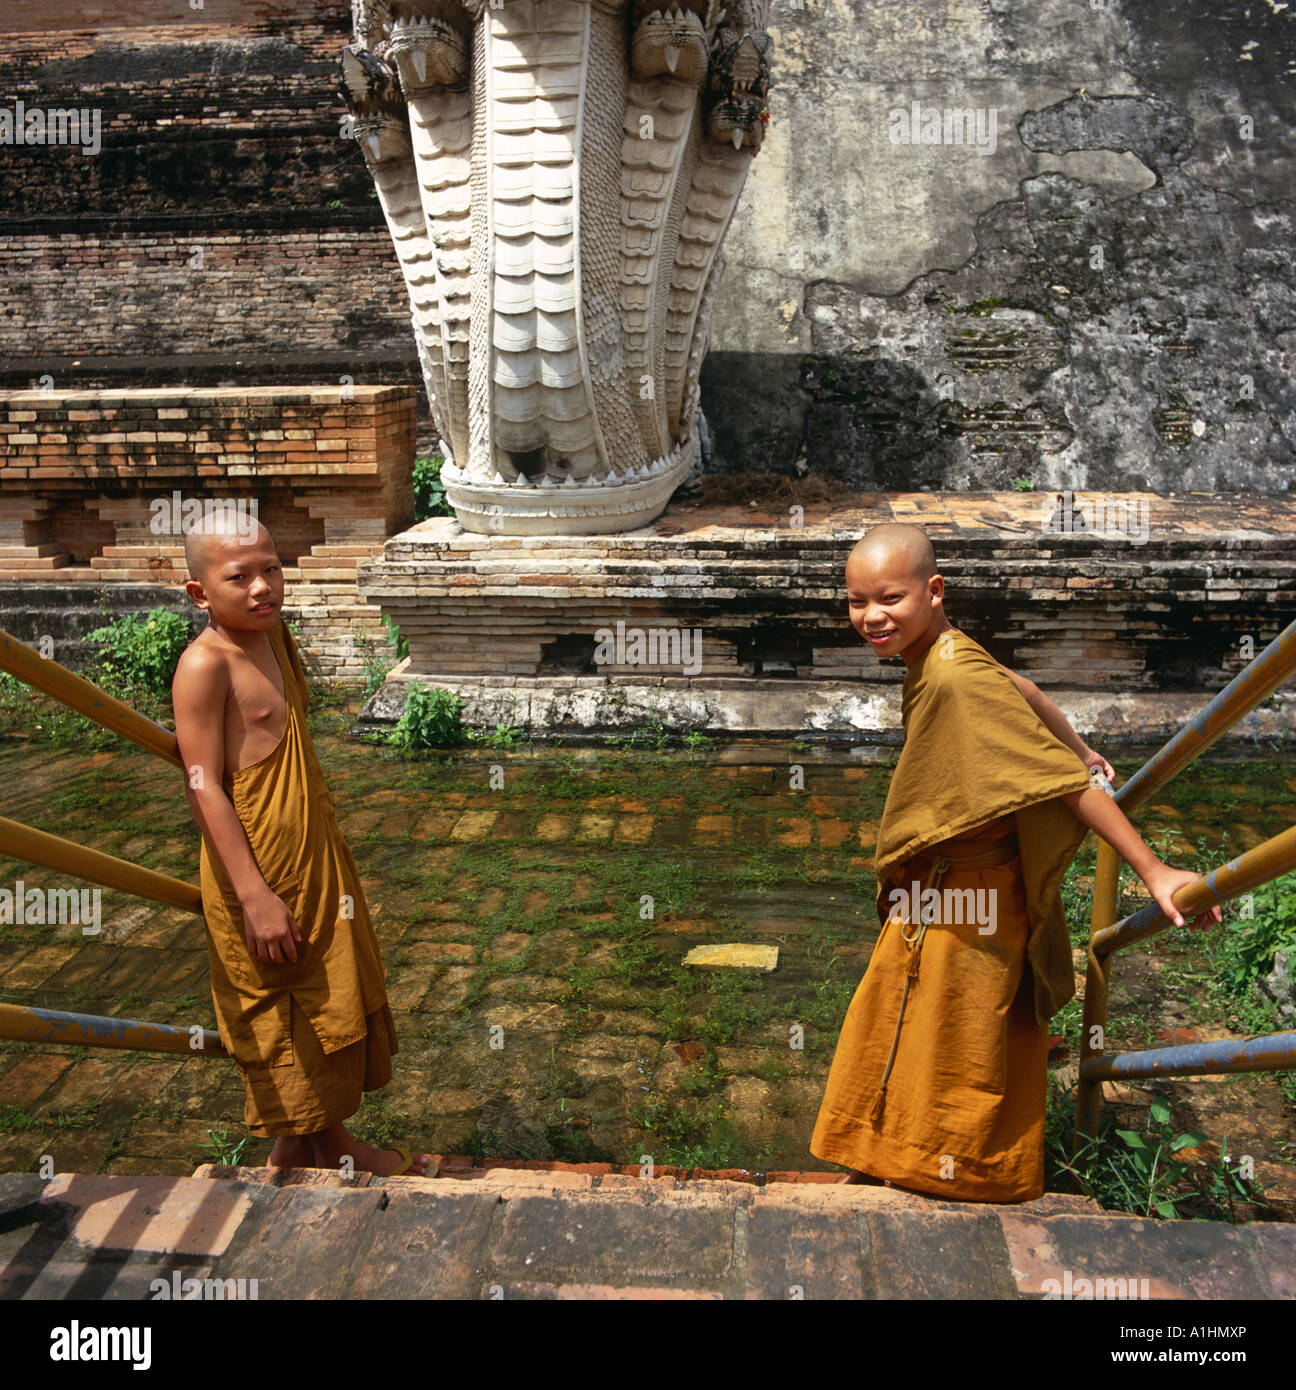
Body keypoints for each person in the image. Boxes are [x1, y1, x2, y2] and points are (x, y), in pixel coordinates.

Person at [810, 523, 1219, 1201]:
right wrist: (1079, 741)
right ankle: (899, 1155)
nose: (871, 616)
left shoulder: (952, 677)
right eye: (857, 601)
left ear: (933, 590)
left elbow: (1063, 785)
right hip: (942, 887)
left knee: (958, 1033)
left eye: (889, 597)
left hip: (973, 892)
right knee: (904, 1016)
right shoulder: (944, 652)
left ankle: (965, 1172)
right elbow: (1022, 686)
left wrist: (1155, 872)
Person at [171, 513, 432, 1177]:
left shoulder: (271, 635)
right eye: (239, 578)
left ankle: (297, 1144)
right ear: (201, 594)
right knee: (284, 998)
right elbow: (204, 785)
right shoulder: (205, 667)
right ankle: (333, 1146)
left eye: (271, 569)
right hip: (256, 865)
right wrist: (254, 895)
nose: (262, 588)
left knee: (328, 985)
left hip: (308, 846)